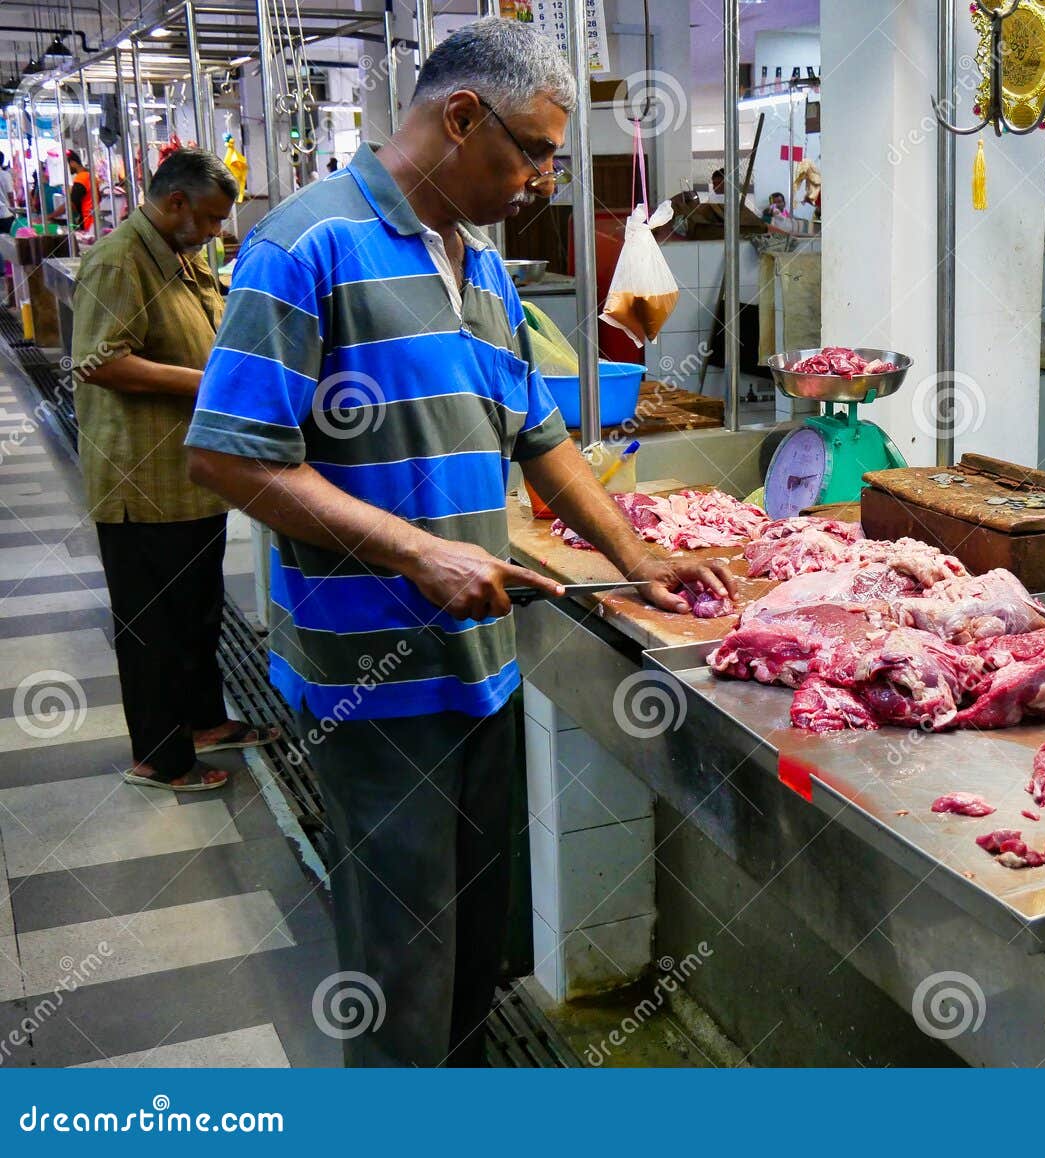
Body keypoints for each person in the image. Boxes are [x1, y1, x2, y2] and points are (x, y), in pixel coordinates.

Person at [184, 17, 732, 1068]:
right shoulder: (305, 245)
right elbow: (230, 456)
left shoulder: (479, 261)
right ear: (460, 117)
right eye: (529, 151)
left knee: (477, 957)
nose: (538, 178)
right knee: (402, 973)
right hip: (373, 686)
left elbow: (539, 433)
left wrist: (636, 555)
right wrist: (415, 553)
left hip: (481, 671)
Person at [72, 148, 280, 793]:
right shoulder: (119, 260)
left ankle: (202, 721)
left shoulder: (181, 258)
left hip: (188, 477)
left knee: (197, 610)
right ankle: (159, 758)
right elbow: (99, 361)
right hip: (140, 480)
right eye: (213, 219)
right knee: (152, 624)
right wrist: (209, 380)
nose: (218, 232)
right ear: (176, 203)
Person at [49, 150, 95, 230]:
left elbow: (71, 204)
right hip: (92, 221)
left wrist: (51, 216)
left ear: (73, 163)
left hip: (88, 222)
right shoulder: (89, 175)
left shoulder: (81, 178)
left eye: (66, 166)